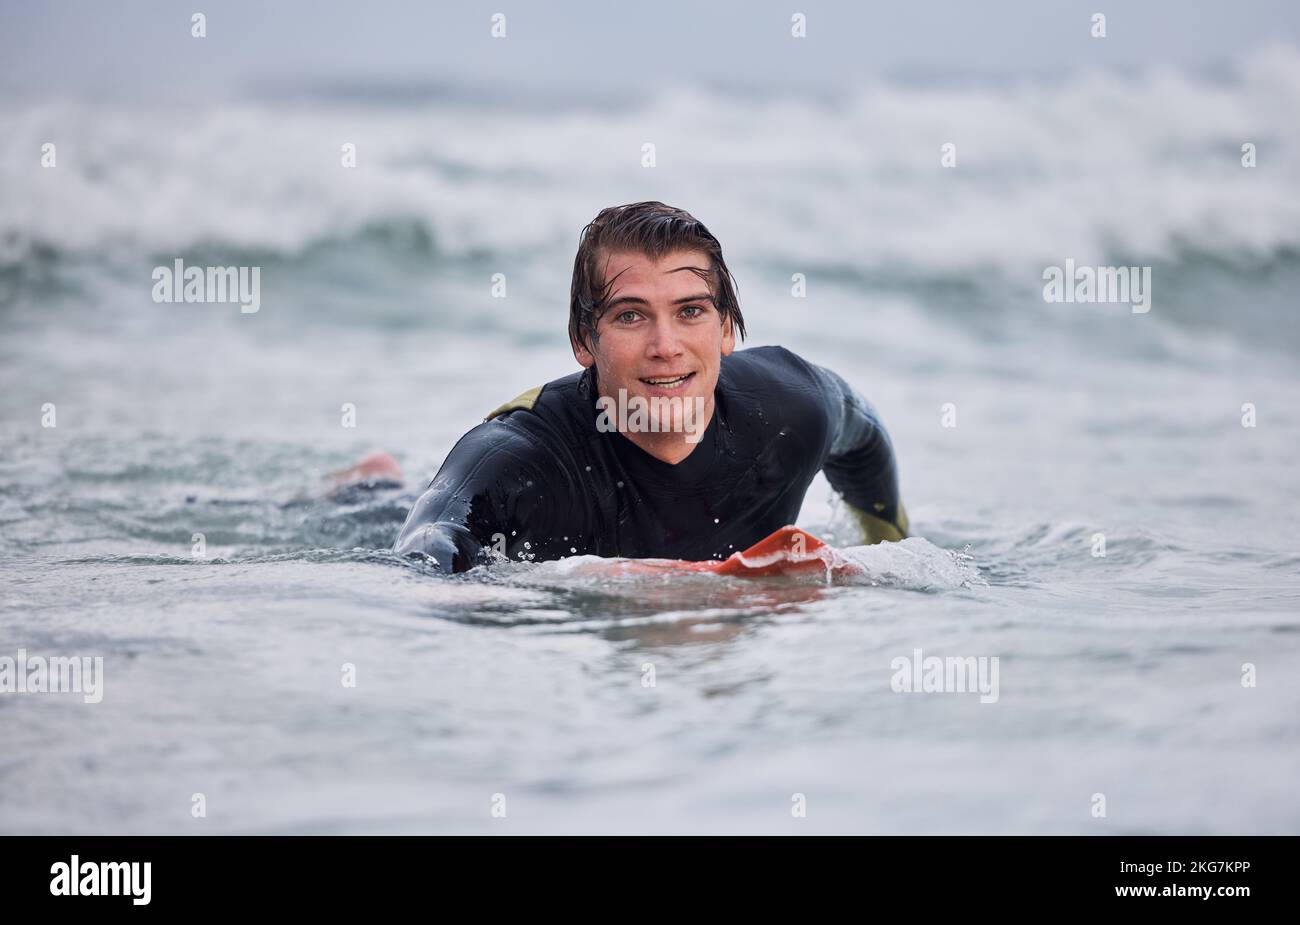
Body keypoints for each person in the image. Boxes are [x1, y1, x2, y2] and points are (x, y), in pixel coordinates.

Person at [393, 201, 908, 573]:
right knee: (380, 500)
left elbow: (863, 435)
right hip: (400, 514)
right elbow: (425, 551)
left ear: (726, 329)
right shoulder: (521, 459)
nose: (666, 346)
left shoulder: (793, 409)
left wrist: (888, 546)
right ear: (583, 341)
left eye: (690, 312)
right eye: (631, 316)